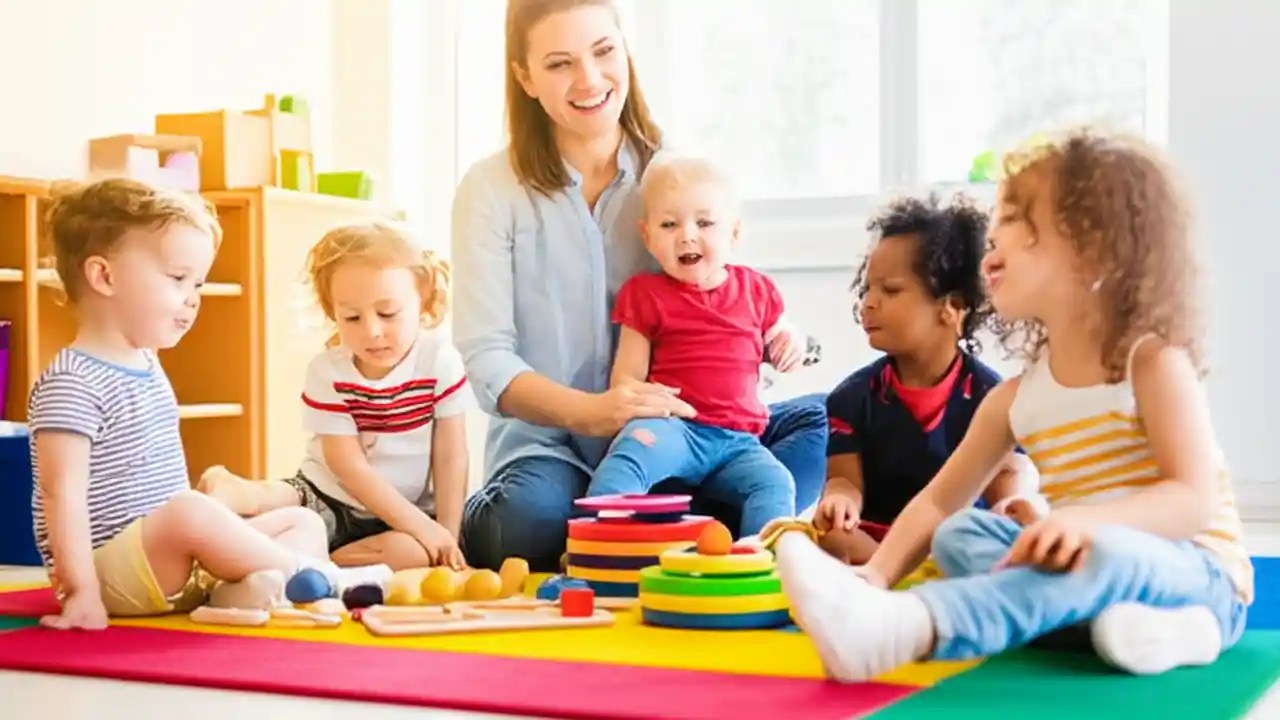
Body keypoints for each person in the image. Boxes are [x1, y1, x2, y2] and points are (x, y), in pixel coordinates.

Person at [775, 128, 1253, 682]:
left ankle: (909, 627)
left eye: (1014, 217)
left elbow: (1191, 501)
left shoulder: (1151, 364)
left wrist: (1086, 524)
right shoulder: (1013, 398)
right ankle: (1142, 631)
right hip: (1098, 563)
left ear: (1093, 249)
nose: (992, 235)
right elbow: (938, 504)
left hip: (1198, 571)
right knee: (961, 537)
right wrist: (876, 575)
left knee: (1111, 556)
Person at [450, 0, 827, 571]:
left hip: (687, 438)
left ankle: (671, 524)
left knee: (829, 419)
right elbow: (487, 360)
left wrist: (784, 339)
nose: (590, 80)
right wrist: (592, 413)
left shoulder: (674, 176)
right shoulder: (491, 189)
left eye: (604, 52)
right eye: (559, 64)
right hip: (551, 449)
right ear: (524, 76)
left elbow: (734, 296)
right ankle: (686, 527)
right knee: (524, 524)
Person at [29, 179, 374, 630]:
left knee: (302, 523)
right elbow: (62, 495)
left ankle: (246, 590)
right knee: (189, 510)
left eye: (198, 284)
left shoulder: (145, 363)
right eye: (178, 279)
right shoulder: (71, 381)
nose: (193, 299)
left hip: (168, 561)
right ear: (104, 277)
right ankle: (321, 579)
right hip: (109, 573)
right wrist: (81, 592)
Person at [199, 222, 475, 570]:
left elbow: (451, 456)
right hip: (330, 496)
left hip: (401, 514)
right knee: (288, 498)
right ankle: (238, 493)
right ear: (334, 312)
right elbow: (348, 467)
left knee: (415, 556)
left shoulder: (439, 360)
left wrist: (445, 537)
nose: (372, 331)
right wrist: (424, 529)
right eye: (352, 317)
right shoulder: (328, 372)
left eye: (388, 313)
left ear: (424, 299)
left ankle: (317, 560)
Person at [815, 194, 1043, 565]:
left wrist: (1012, 504)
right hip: (880, 537)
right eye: (866, 289)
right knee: (834, 537)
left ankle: (907, 584)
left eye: (889, 290)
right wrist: (839, 500)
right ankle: (901, 580)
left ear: (952, 308)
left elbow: (1009, 470)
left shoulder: (990, 395)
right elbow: (844, 479)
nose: (868, 303)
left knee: (992, 539)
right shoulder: (851, 398)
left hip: (957, 536)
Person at [584, 153, 802, 537]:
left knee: (775, 483)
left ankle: (755, 566)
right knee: (627, 460)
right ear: (648, 236)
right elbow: (627, 379)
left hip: (737, 440)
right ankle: (594, 548)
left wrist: (791, 340)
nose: (686, 235)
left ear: (734, 233)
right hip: (674, 429)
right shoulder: (644, 294)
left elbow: (784, 335)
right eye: (669, 224)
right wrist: (641, 405)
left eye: (704, 222)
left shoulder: (757, 289)